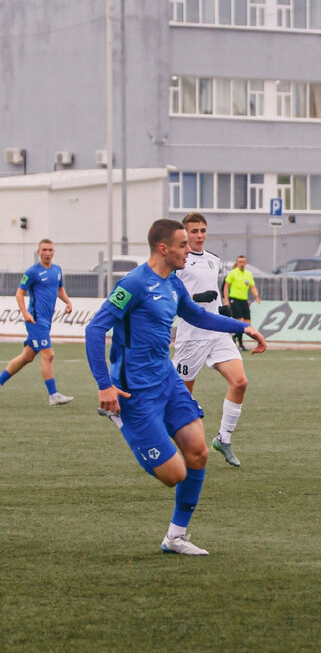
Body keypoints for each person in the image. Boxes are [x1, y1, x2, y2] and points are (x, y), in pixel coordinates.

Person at [86, 219, 267, 555]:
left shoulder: (173, 284)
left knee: (198, 452)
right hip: (135, 391)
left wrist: (243, 327)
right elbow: (95, 330)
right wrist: (104, 385)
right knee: (173, 474)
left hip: (167, 381)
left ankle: (175, 537)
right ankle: (118, 415)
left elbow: (199, 316)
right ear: (163, 248)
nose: (190, 249)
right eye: (183, 244)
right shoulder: (135, 283)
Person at [174, 212, 251, 467]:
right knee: (182, 398)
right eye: (194, 231)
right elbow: (176, 300)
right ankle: (178, 448)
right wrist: (197, 299)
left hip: (217, 334)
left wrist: (221, 308)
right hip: (191, 337)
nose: (199, 236)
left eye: (203, 231)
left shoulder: (214, 260)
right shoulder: (179, 263)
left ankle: (223, 439)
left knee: (240, 382)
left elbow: (215, 294)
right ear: (185, 235)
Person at [0, 238, 74, 405]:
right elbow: (19, 293)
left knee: (27, 356)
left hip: (47, 321)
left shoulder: (57, 270)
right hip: (35, 320)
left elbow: (59, 289)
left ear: (53, 252)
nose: (47, 253)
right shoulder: (32, 272)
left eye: (50, 250)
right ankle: (53, 395)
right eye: (44, 250)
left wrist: (67, 302)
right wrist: (25, 313)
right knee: (49, 355)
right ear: (38, 252)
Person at [222, 255, 260, 351]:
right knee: (240, 321)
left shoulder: (248, 274)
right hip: (234, 299)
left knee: (247, 324)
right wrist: (226, 300)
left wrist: (256, 296)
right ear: (237, 263)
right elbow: (226, 287)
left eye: (243, 262)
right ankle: (240, 344)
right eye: (240, 262)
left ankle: (235, 338)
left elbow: (252, 286)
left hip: (244, 301)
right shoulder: (232, 273)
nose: (242, 264)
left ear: (246, 263)